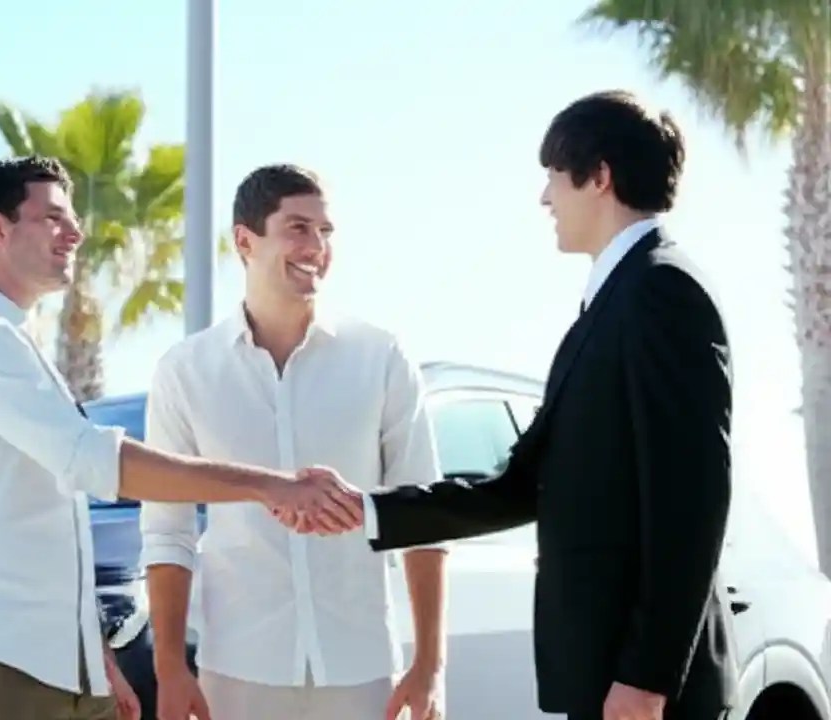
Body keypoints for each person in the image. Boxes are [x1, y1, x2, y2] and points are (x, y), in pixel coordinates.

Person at [283, 91, 737, 720]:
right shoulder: (615, 302)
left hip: (644, 693)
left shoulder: (662, 290)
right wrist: (364, 509)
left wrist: (648, 677)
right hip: (606, 680)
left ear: (599, 177)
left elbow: (693, 499)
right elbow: (521, 487)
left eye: (554, 177)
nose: (545, 198)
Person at [0, 155, 364, 720]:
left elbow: (47, 527)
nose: (74, 232)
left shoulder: (15, 345)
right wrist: (272, 487)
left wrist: (94, 657)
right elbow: (95, 461)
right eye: (51, 217)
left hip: (60, 672)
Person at [140, 164, 448, 720]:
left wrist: (429, 664)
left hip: (361, 669)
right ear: (244, 241)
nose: (317, 247)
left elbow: (424, 515)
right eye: (298, 228)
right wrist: (169, 669)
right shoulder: (186, 371)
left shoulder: (380, 357)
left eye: (326, 232)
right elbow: (167, 533)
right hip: (235, 671)